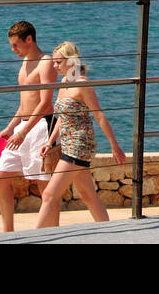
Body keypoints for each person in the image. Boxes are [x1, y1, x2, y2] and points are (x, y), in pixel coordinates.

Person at [35, 42, 128, 229]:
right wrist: (50, 141)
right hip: (67, 143)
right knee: (88, 195)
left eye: (58, 62)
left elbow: (99, 115)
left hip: (80, 144)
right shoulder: (63, 83)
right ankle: (108, 232)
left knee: (49, 195)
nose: (54, 66)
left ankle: (33, 237)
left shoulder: (83, 85)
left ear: (71, 61)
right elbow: (62, 118)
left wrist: (114, 145)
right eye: (53, 62)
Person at [0, 21, 56, 232]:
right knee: (0, 178)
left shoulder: (45, 62)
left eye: (15, 45)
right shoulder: (24, 63)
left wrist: (23, 131)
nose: (13, 50)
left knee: (44, 186)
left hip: (40, 129)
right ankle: (7, 232)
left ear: (29, 39)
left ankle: (51, 232)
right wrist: (11, 127)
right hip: (22, 127)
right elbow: (24, 102)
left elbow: (45, 103)